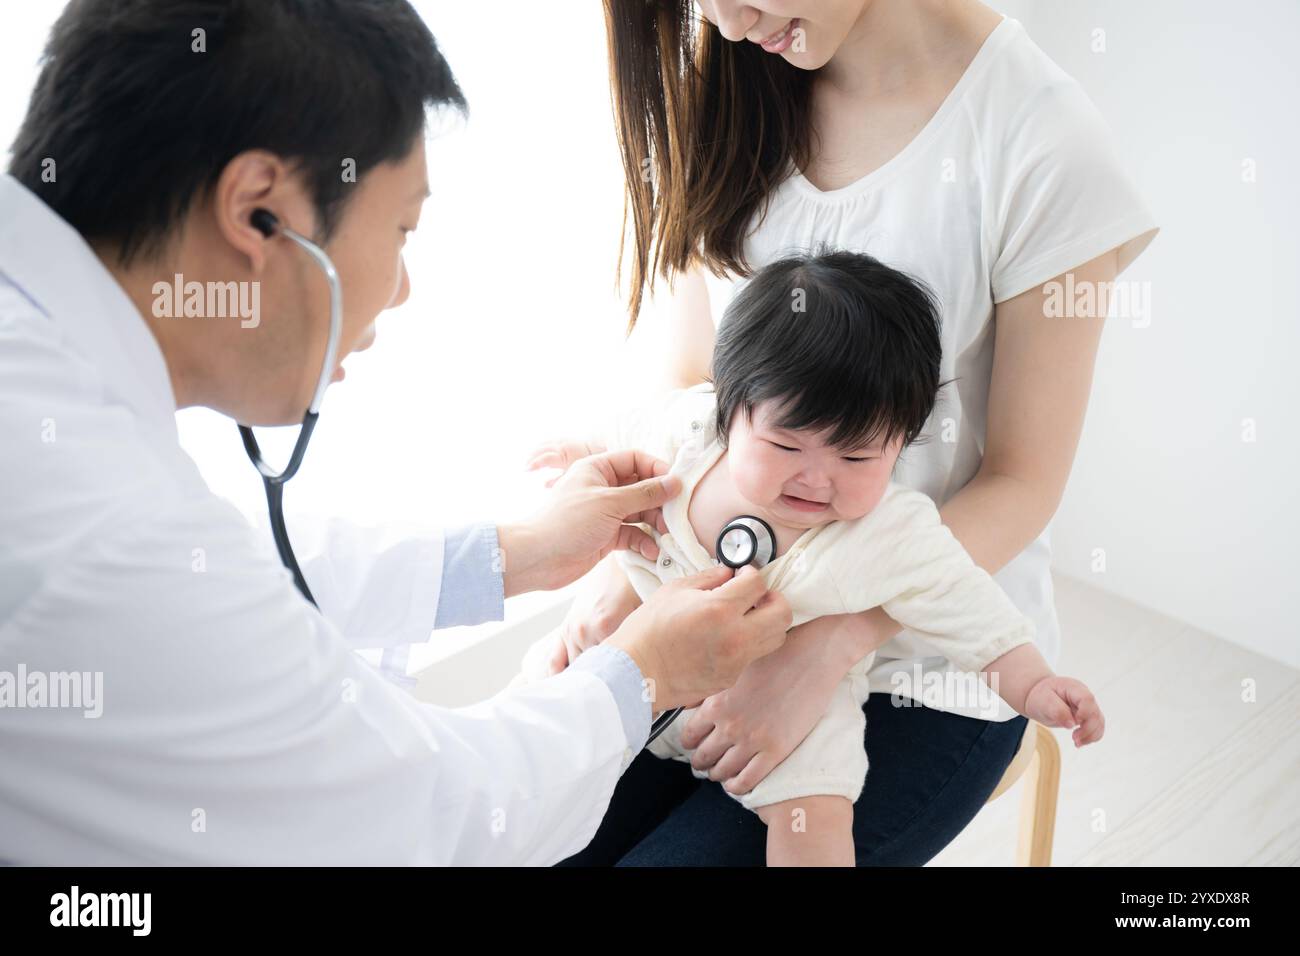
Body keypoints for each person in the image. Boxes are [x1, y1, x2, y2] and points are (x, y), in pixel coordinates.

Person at [0, 0, 793, 865]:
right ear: (258, 212)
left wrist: (513, 554)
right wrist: (642, 674)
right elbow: (430, 817)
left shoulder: (49, 392)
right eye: (401, 228)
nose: (403, 288)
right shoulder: (97, 523)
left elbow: (227, 579)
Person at [544, 0, 1158, 865]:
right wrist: (638, 564)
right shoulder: (723, 82)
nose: (723, 19)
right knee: (515, 837)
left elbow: (1024, 478)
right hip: (703, 604)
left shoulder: (1043, 146)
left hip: (920, 666)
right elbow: (691, 384)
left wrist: (825, 644)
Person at [522, 250, 1106, 865]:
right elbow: (617, 443)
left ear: (900, 445)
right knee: (547, 713)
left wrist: (1035, 682)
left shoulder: (891, 531)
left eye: (855, 459)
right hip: (653, 666)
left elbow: (971, 611)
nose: (816, 480)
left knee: (816, 817)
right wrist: (577, 460)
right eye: (784, 444)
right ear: (730, 411)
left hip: (795, 711)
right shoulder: (683, 442)